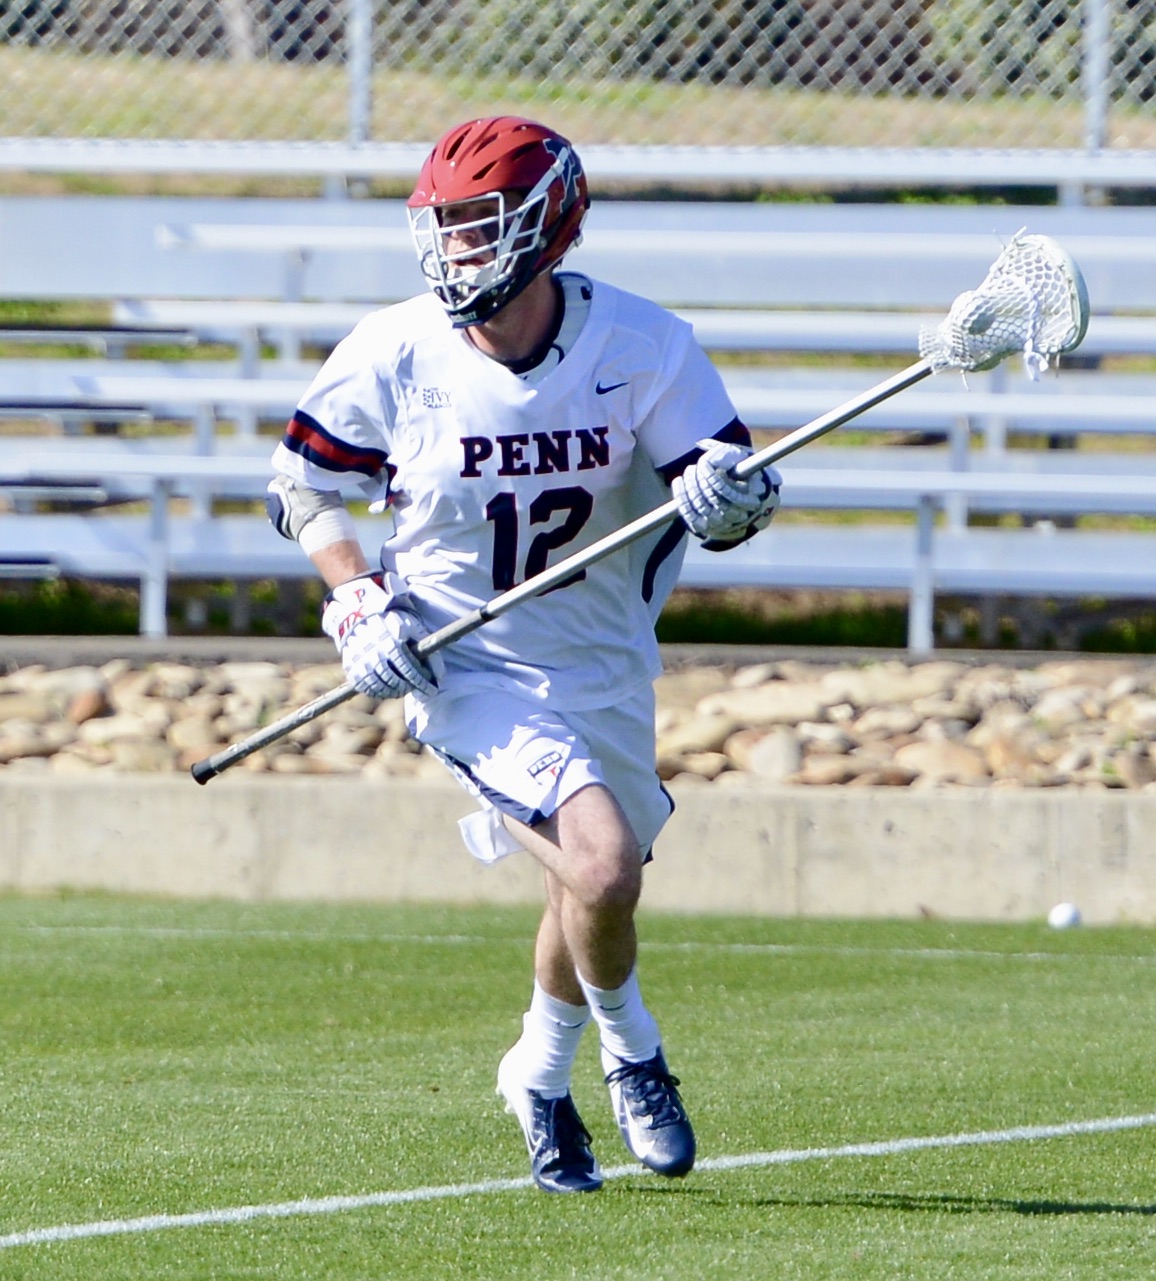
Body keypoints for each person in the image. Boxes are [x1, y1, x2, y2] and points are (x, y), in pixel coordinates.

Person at [264, 115, 780, 1194]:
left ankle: (537, 1075)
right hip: (466, 663)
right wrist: (355, 601)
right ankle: (636, 1058)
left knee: (592, 886)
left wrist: (728, 498)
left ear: (545, 225)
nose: (453, 247)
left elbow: (726, 491)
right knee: (601, 863)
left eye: (476, 223)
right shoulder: (396, 350)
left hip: (603, 656)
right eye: (443, 224)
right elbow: (303, 487)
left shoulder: (641, 344)